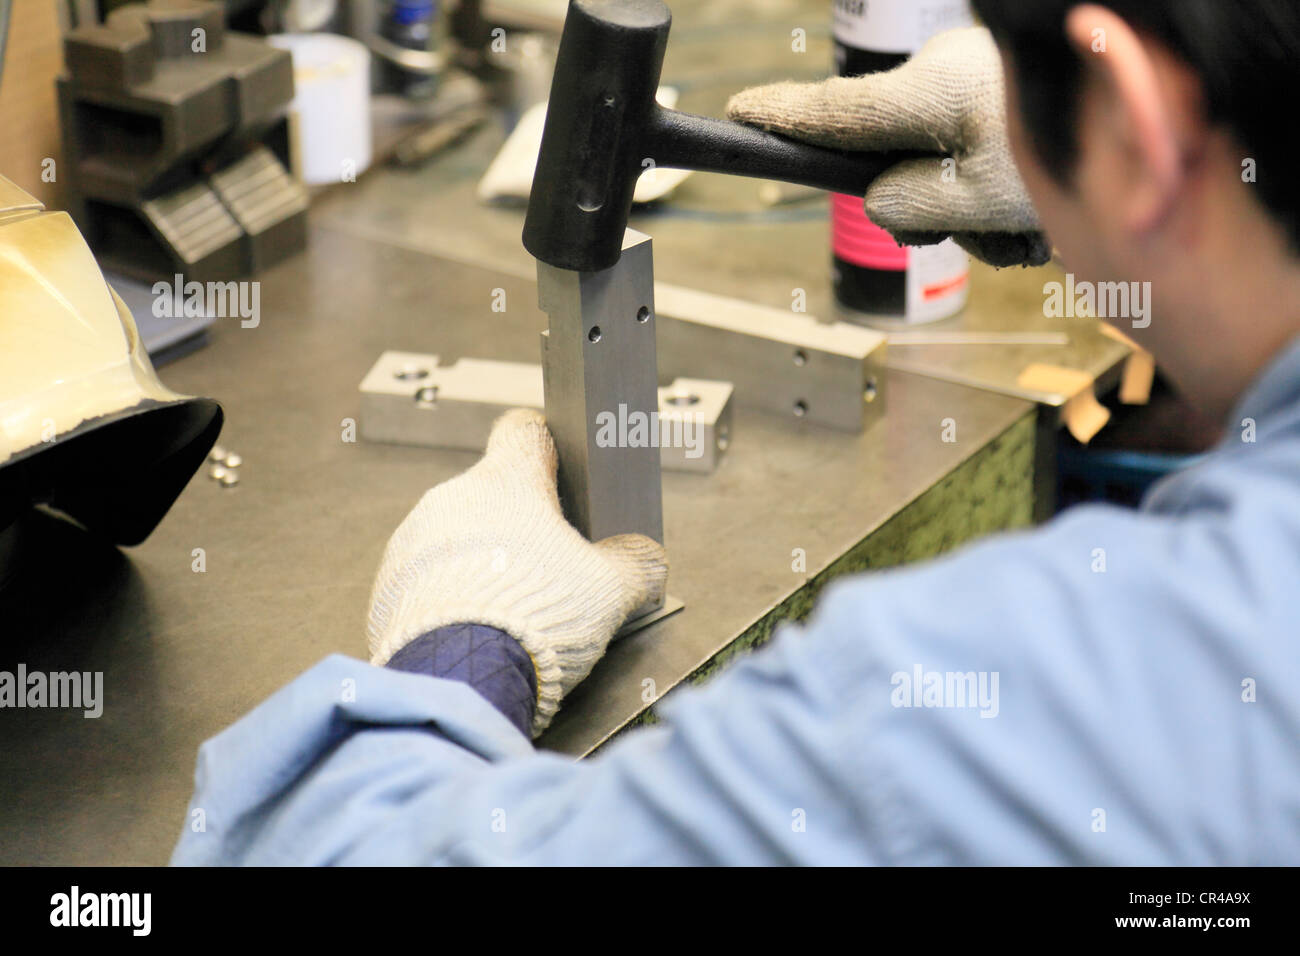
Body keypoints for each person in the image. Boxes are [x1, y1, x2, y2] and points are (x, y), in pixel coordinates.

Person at [171, 0, 1300, 864]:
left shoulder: (990, 698)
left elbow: (316, 849)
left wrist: (462, 646)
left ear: (1141, 126)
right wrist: (1087, 182)